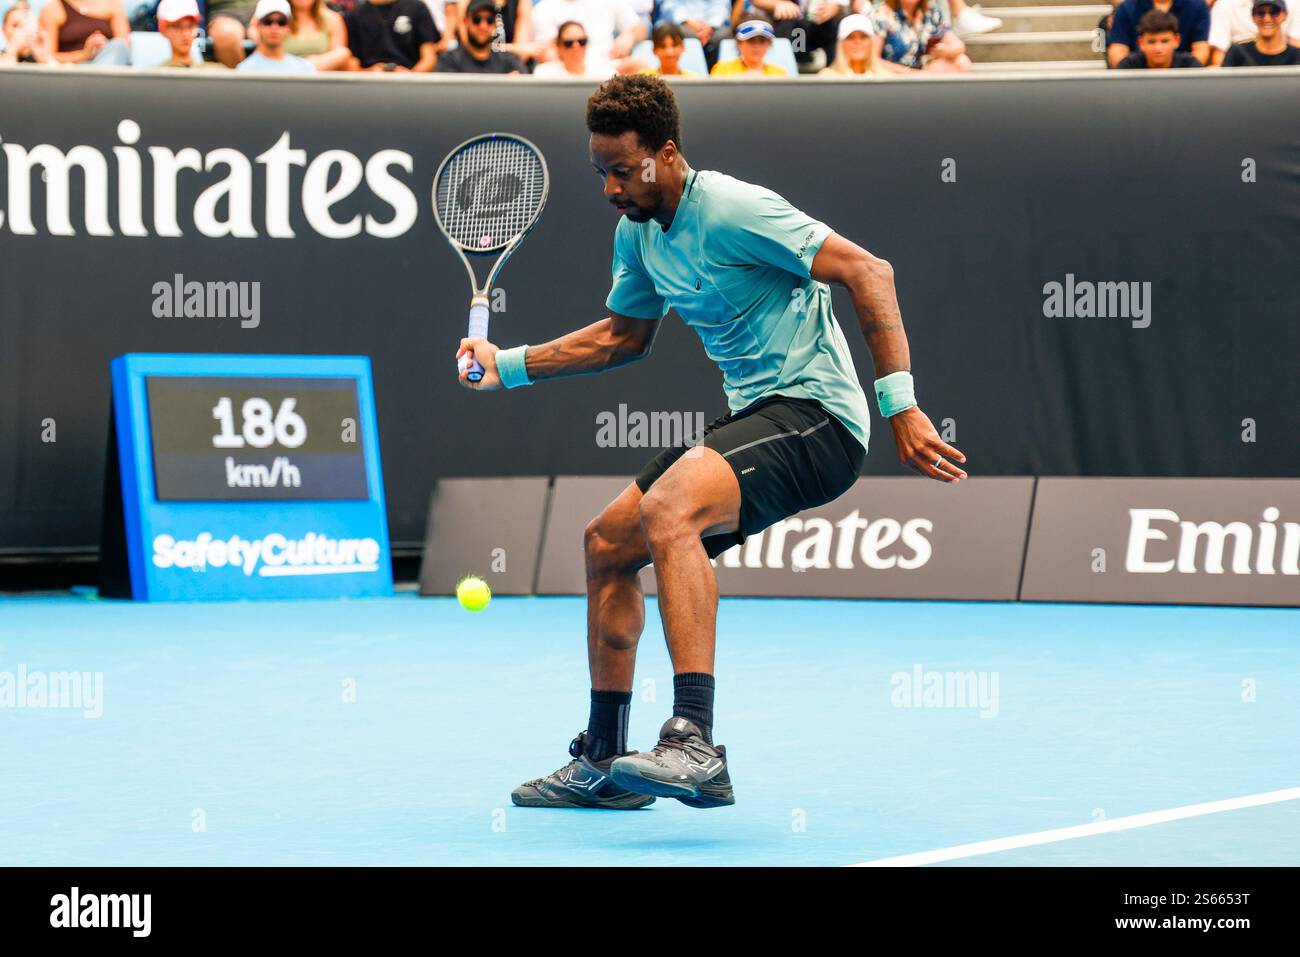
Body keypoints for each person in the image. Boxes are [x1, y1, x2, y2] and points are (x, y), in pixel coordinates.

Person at [456, 74, 965, 810]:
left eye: (623, 171)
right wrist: (507, 365)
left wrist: (902, 405)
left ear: (666, 154)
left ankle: (695, 740)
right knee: (606, 543)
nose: (610, 189)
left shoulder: (733, 208)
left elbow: (867, 270)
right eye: (600, 172)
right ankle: (603, 761)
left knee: (672, 508)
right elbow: (623, 337)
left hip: (820, 416)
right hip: (754, 417)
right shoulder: (635, 234)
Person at [531, 0, 646, 74]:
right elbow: (546, 52)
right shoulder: (543, 8)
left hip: (607, 66)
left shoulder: (609, 2)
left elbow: (640, 28)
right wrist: (579, 70)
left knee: (639, 65)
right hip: (566, 70)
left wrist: (629, 37)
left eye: (582, 41)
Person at [870, 0, 971, 72]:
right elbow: (873, 60)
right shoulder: (881, 14)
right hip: (894, 76)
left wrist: (946, 51)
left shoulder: (931, 13)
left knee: (961, 61)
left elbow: (959, 45)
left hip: (924, 73)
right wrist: (909, 73)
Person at [1107, 0, 1209, 66]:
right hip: (1137, 75)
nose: (1158, 48)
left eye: (1164, 41)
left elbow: (1201, 48)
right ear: (1140, 42)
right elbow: (1118, 50)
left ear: (1177, 40)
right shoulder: (1126, 8)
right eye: (1152, 42)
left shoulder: (1197, 5)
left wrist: (1185, 73)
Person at [346, 0, 440, 70]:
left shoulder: (417, 8)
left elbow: (429, 58)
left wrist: (411, 75)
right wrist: (367, 73)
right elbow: (351, 61)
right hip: (368, 84)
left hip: (410, 81)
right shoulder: (354, 15)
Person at [436, 0, 525, 70]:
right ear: (465, 22)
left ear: (495, 24)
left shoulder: (509, 62)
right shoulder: (449, 61)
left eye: (489, 20)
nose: (483, 26)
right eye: (477, 19)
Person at [263, 0, 351, 70]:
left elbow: (340, 57)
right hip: (283, 74)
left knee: (343, 53)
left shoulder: (332, 19)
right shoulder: (277, 18)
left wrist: (307, 65)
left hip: (322, 74)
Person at [1209, 0, 1300, 64]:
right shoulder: (1237, 51)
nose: (1267, 18)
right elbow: (1219, 60)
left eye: (1274, 12)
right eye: (1260, 13)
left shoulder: (1295, 54)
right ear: (1253, 17)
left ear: (1285, 15)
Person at [38, 0, 128, 64]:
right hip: (73, 69)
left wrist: (103, 47)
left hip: (110, 62)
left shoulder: (113, 4)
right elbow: (46, 58)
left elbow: (124, 46)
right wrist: (85, 54)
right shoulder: (52, 9)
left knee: (118, 45)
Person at [236, 0, 317, 70]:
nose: (274, 27)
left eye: (281, 22)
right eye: (268, 21)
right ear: (258, 25)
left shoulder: (305, 68)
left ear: (289, 26)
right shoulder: (245, 70)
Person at [654, 0, 730, 69]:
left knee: (724, 34)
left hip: (711, 25)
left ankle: (714, 76)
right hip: (680, 22)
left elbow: (721, 6)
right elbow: (669, 5)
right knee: (682, 34)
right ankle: (689, 73)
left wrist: (710, 26)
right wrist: (687, 22)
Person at [709, 15, 788, 73]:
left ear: (769, 44)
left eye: (762, 41)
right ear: (739, 42)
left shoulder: (779, 73)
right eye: (751, 41)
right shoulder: (722, 70)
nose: (757, 46)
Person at [820, 10, 886, 73]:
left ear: (871, 42)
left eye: (863, 37)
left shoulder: (886, 78)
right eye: (850, 37)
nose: (857, 42)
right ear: (841, 43)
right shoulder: (826, 77)